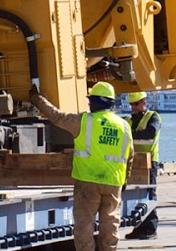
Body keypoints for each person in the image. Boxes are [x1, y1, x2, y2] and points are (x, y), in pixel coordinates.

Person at [31, 82, 133, 251]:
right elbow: (130, 156)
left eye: (91, 100)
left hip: (87, 182)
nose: (89, 104)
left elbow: (56, 116)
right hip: (114, 182)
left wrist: (37, 99)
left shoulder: (84, 121)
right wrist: (124, 180)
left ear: (97, 101)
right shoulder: (124, 126)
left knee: (84, 226)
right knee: (110, 226)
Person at [124, 91, 161, 240]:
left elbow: (150, 133)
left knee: (149, 195)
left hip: (149, 162)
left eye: (136, 104)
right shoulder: (128, 120)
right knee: (136, 196)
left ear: (144, 102)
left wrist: (131, 134)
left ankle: (151, 229)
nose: (134, 107)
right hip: (134, 162)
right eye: (132, 104)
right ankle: (138, 228)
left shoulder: (153, 117)